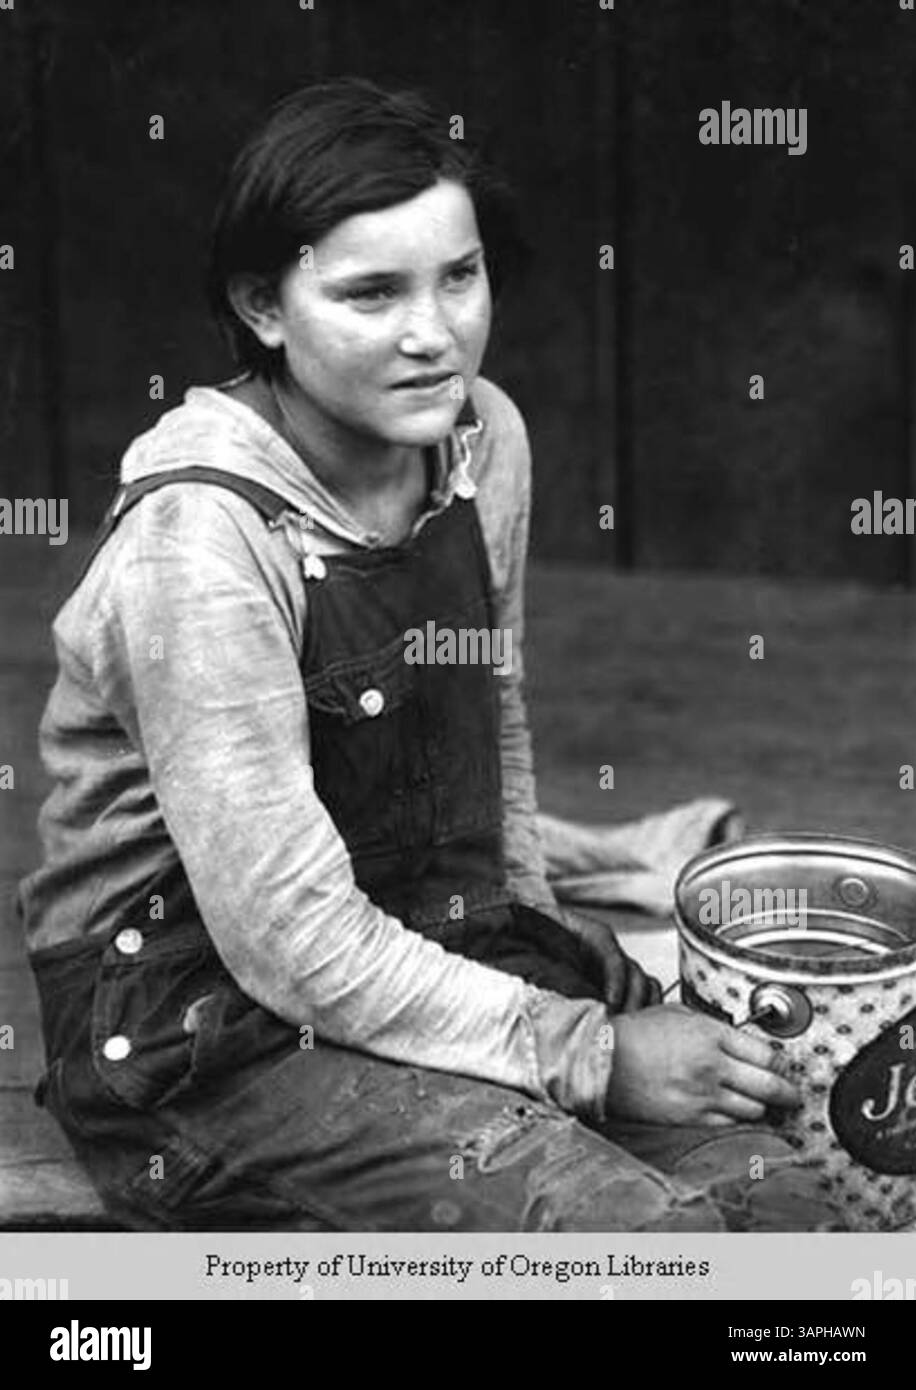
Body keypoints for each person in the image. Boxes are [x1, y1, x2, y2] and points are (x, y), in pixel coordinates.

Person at [18, 78, 843, 1233]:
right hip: (200, 1017)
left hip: (420, 920)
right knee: (647, 1245)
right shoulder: (203, 542)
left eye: (458, 277)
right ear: (263, 304)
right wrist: (588, 1050)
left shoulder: (478, 437)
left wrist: (539, 938)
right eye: (369, 293)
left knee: (801, 1177)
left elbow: (484, 724)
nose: (433, 334)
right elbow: (290, 945)